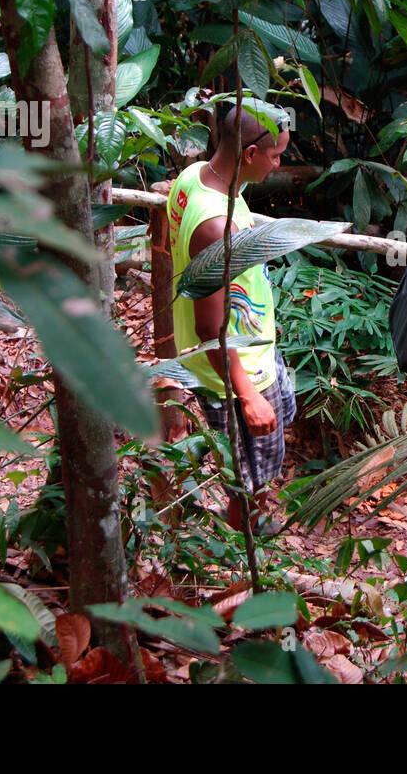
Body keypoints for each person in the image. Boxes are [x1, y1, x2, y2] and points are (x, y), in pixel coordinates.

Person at [166, 102, 296, 533]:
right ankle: (246, 533)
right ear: (249, 155)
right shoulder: (214, 224)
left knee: (255, 453)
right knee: (250, 469)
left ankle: (247, 520)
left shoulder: (195, 177)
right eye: (275, 155)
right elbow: (209, 326)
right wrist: (247, 395)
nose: (279, 164)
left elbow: (166, 243)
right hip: (235, 370)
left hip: (250, 349)